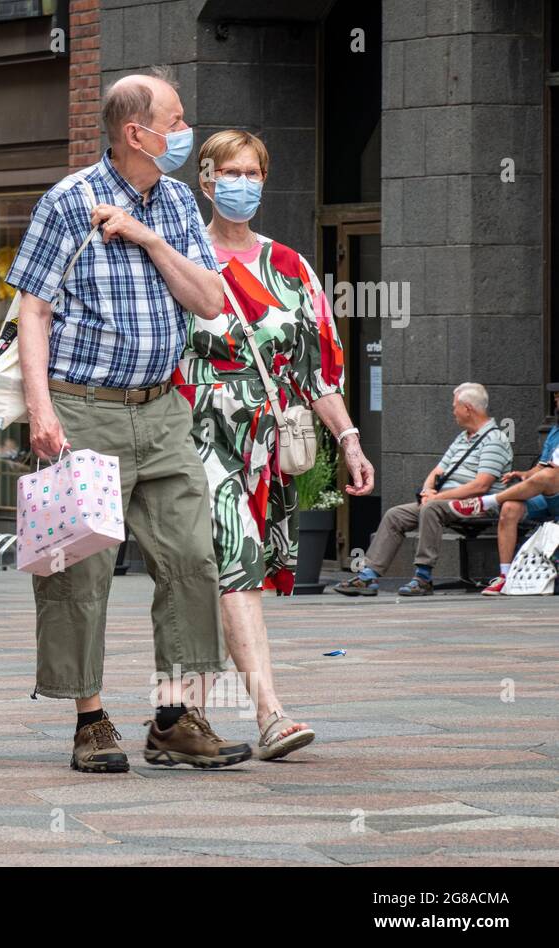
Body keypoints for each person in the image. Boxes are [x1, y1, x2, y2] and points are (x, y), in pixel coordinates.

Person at [7, 68, 252, 773]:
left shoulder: (174, 202)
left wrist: (148, 238)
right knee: (78, 573)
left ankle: (174, 717)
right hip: (83, 408)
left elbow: (208, 301)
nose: (184, 132)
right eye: (174, 121)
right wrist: (43, 411)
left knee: (192, 559)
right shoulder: (68, 201)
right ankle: (90, 721)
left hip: (163, 408)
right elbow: (35, 311)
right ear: (134, 132)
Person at [176, 130, 375, 759]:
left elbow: (318, 371)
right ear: (205, 180)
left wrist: (349, 440)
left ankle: (179, 715)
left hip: (265, 439)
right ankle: (270, 712)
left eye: (253, 172)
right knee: (234, 559)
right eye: (230, 171)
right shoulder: (181, 254)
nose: (242, 183)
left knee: (213, 573)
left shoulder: (290, 265)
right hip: (193, 429)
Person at [335, 383, 511, 597]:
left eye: (455, 406)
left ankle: (423, 577)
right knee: (396, 515)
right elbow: (437, 471)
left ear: (468, 408)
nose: (452, 411)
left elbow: (480, 486)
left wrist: (437, 497)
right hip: (444, 501)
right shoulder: (462, 438)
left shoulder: (495, 439)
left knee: (432, 508)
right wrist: (428, 491)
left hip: (478, 504)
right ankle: (368, 576)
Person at [449, 383, 559, 593]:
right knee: (510, 507)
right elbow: (541, 467)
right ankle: (505, 576)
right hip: (548, 494)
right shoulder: (555, 431)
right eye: (554, 397)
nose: (556, 400)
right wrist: (525, 475)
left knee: (549, 475)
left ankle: (487, 501)